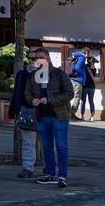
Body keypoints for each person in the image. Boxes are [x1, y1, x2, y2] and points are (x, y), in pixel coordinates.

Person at [25, 47, 74, 187]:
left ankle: (62, 176)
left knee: (61, 146)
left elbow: (69, 93)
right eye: (35, 58)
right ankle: (50, 174)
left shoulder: (58, 74)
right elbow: (28, 93)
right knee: (46, 147)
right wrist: (32, 100)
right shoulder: (33, 75)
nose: (38, 60)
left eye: (41, 57)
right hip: (42, 116)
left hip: (59, 116)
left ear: (48, 58)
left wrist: (50, 99)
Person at [10, 56, 38, 179]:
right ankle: (27, 167)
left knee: (47, 143)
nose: (32, 60)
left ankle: (50, 167)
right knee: (28, 142)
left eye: (36, 58)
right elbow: (16, 92)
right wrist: (13, 110)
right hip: (26, 110)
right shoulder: (22, 74)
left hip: (44, 112)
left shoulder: (47, 74)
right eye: (30, 58)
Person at [67, 48, 87, 119]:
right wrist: (82, 75)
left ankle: (68, 112)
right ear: (87, 52)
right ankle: (71, 114)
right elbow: (77, 68)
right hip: (77, 80)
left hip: (71, 79)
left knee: (69, 96)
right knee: (77, 97)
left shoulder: (76, 56)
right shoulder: (82, 57)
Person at [80, 56, 97, 121]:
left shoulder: (84, 67)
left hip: (85, 86)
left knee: (83, 101)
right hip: (92, 87)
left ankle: (82, 115)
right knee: (91, 101)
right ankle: (92, 116)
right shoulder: (94, 68)